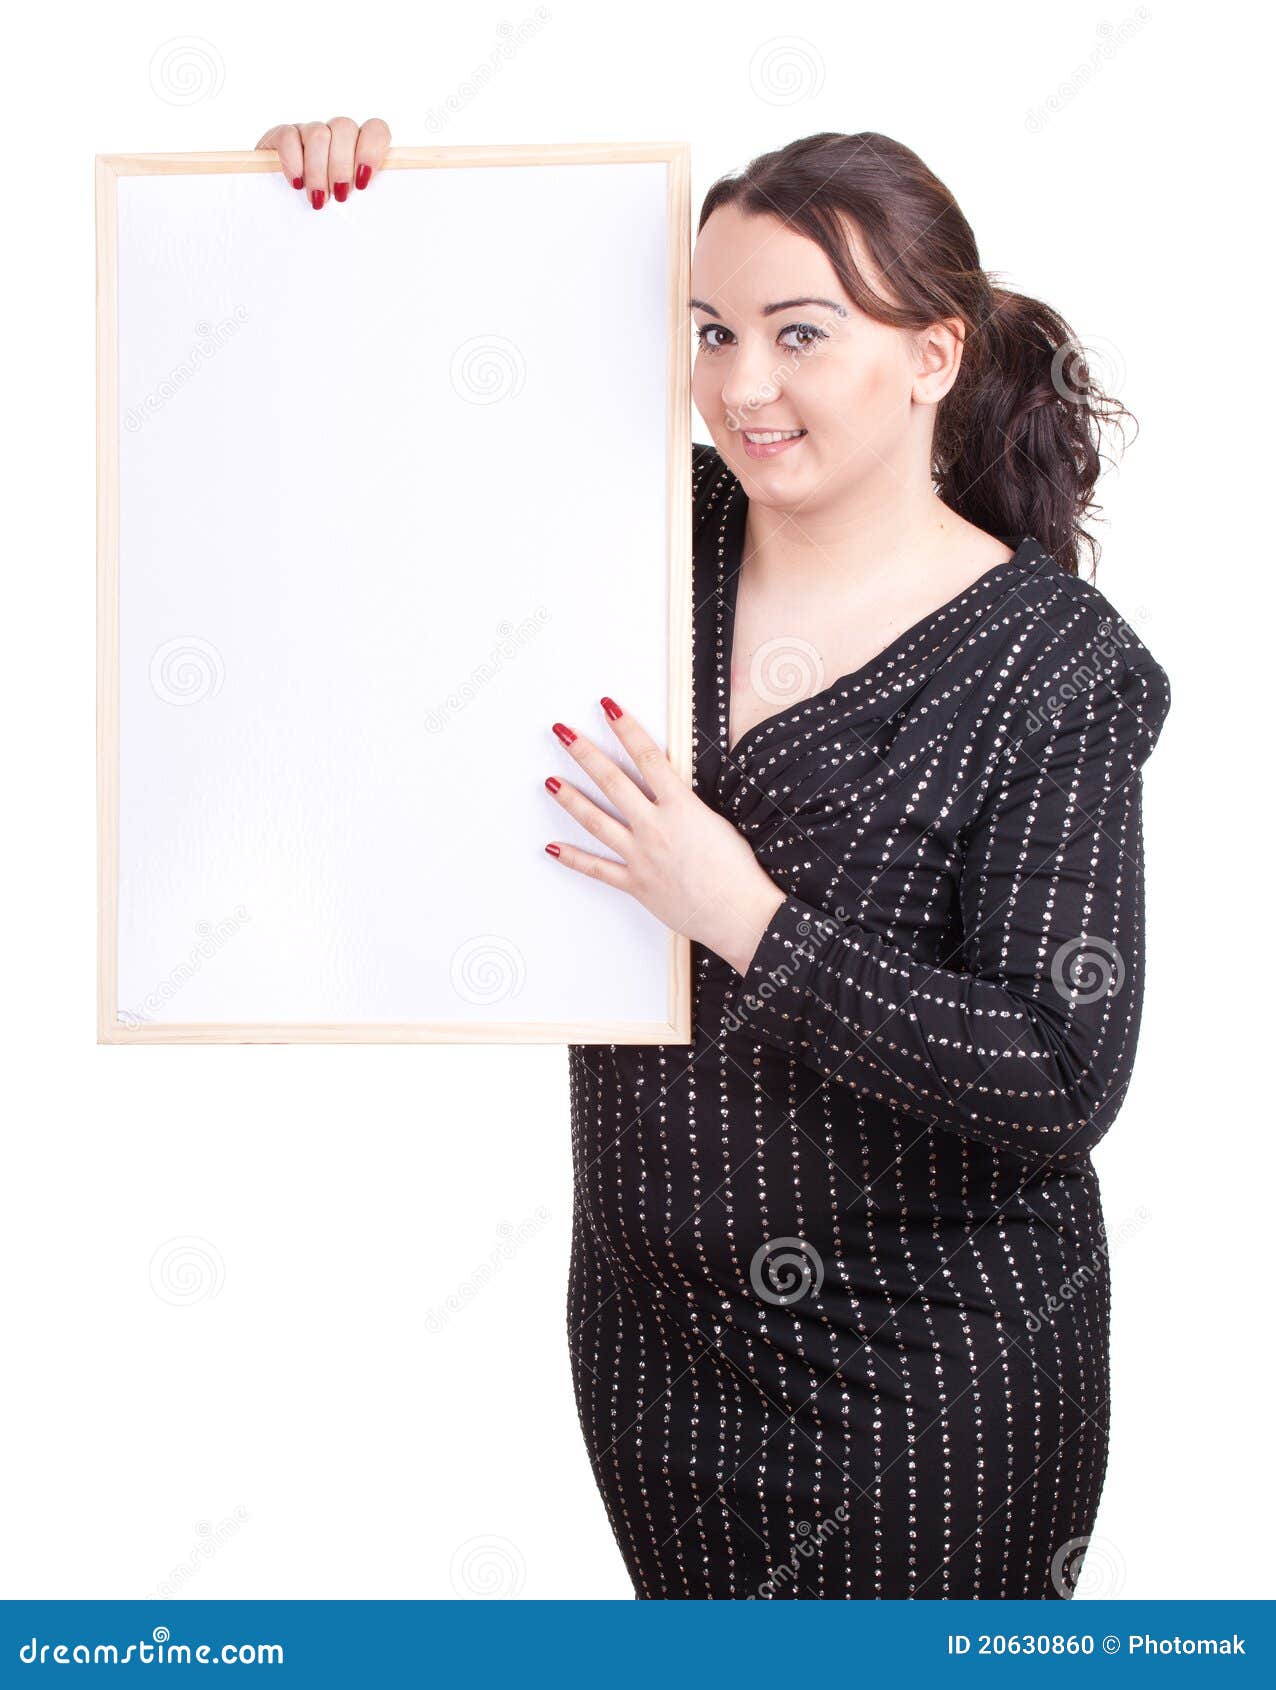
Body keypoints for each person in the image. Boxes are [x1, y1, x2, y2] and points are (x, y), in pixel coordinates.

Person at [255, 117, 1171, 1599]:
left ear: (932, 355)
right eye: (712, 330)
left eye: (800, 333)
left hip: (929, 1376)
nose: (742, 384)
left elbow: (1060, 1071)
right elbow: (377, 462)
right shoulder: (637, 533)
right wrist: (323, 217)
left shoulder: (1053, 665)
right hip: (654, 1358)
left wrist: (744, 914)